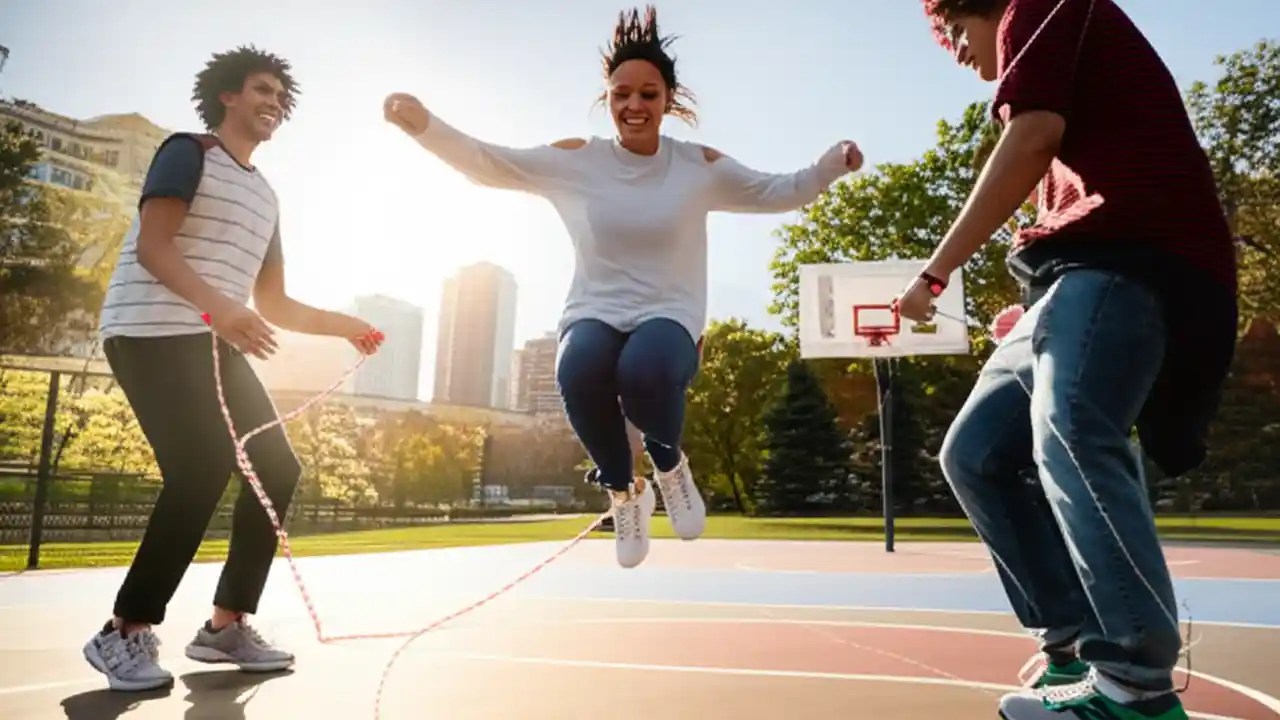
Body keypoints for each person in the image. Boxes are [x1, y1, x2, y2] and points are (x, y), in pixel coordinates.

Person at [384, 5, 862, 569]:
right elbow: (491, 162)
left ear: (668, 100)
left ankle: (668, 463)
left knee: (645, 372)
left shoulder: (698, 166)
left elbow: (775, 190)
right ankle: (623, 491)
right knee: (577, 368)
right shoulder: (577, 160)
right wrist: (425, 127)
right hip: (596, 308)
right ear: (608, 99)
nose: (634, 105)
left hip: (671, 313)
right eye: (621, 94)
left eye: (648, 94)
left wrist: (831, 165)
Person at [897, 0, 1238, 719]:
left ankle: (1136, 684)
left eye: (958, 30)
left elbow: (1031, 137)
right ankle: (1072, 647)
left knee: (1074, 430)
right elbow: (1072, 188)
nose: (956, 50)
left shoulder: (1041, 4)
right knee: (977, 453)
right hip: (1083, 274)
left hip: (1134, 262)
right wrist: (1043, 303)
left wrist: (935, 274)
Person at [84, 46, 384, 692]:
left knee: (278, 467)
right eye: (262, 89)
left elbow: (272, 302)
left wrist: (348, 328)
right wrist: (221, 310)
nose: (273, 102)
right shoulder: (186, 153)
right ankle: (124, 632)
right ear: (228, 95)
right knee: (200, 468)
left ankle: (225, 626)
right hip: (148, 332)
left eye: (280, 96)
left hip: (214, 340)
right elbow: (154, 247)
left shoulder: (266, 197)